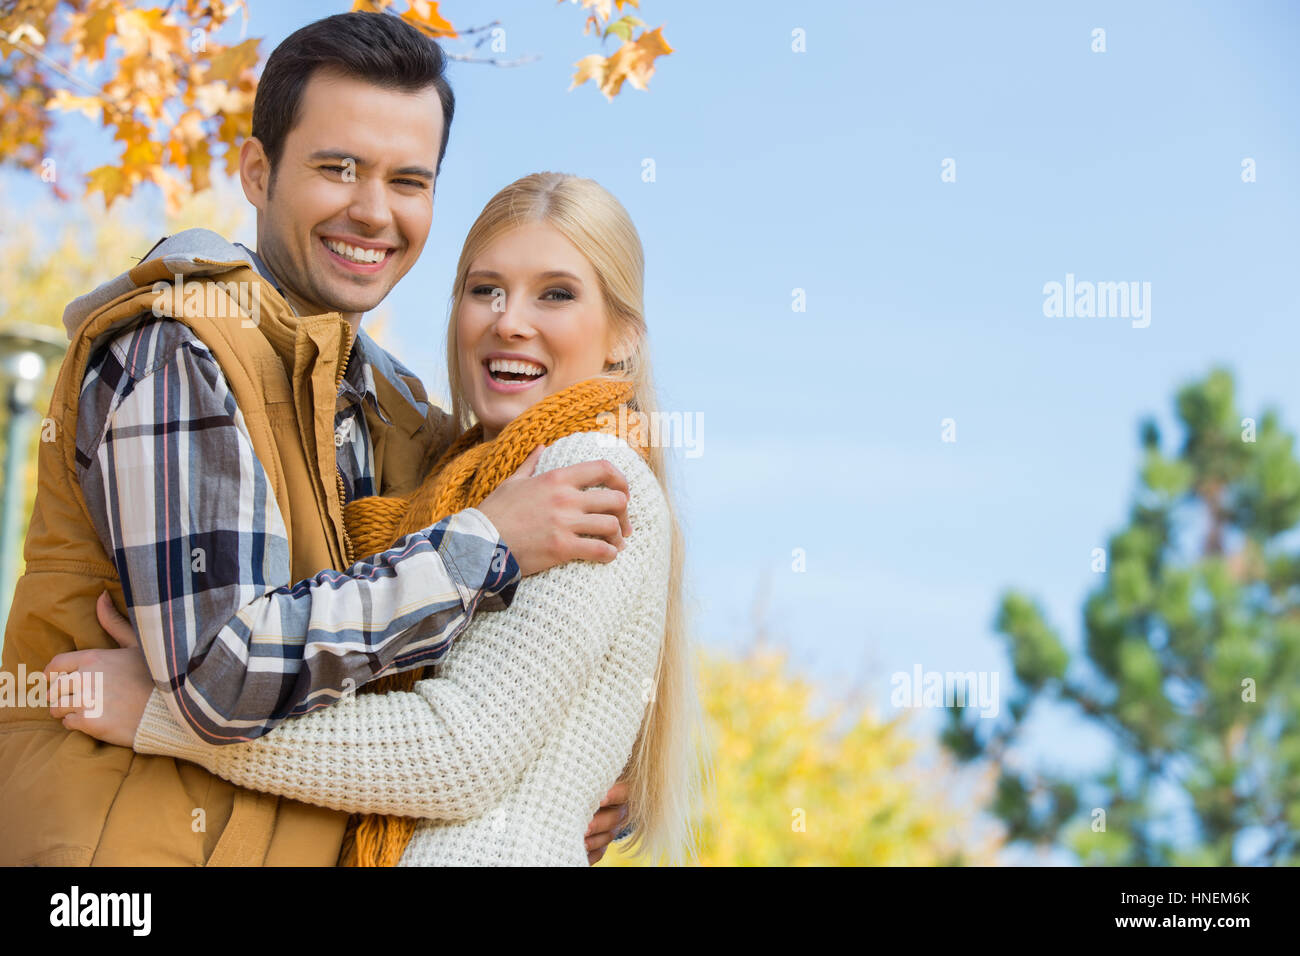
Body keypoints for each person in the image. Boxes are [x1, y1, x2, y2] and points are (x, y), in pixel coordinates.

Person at [0, 12, 633, 867]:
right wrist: (483, 546)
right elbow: (219, 678)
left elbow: (452, 699)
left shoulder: (400, 412)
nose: (373, 213)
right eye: (339, 168)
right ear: (257, 172)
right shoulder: (185, 347)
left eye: (409, 181)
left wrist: (565, 773)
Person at [55, 173, 703, 866]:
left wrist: (171, 715)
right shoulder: (468, 481)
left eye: (557, 294)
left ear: (624, 337)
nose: (509, 319)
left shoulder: (585, 468)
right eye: (485, 289)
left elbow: (459, 754)